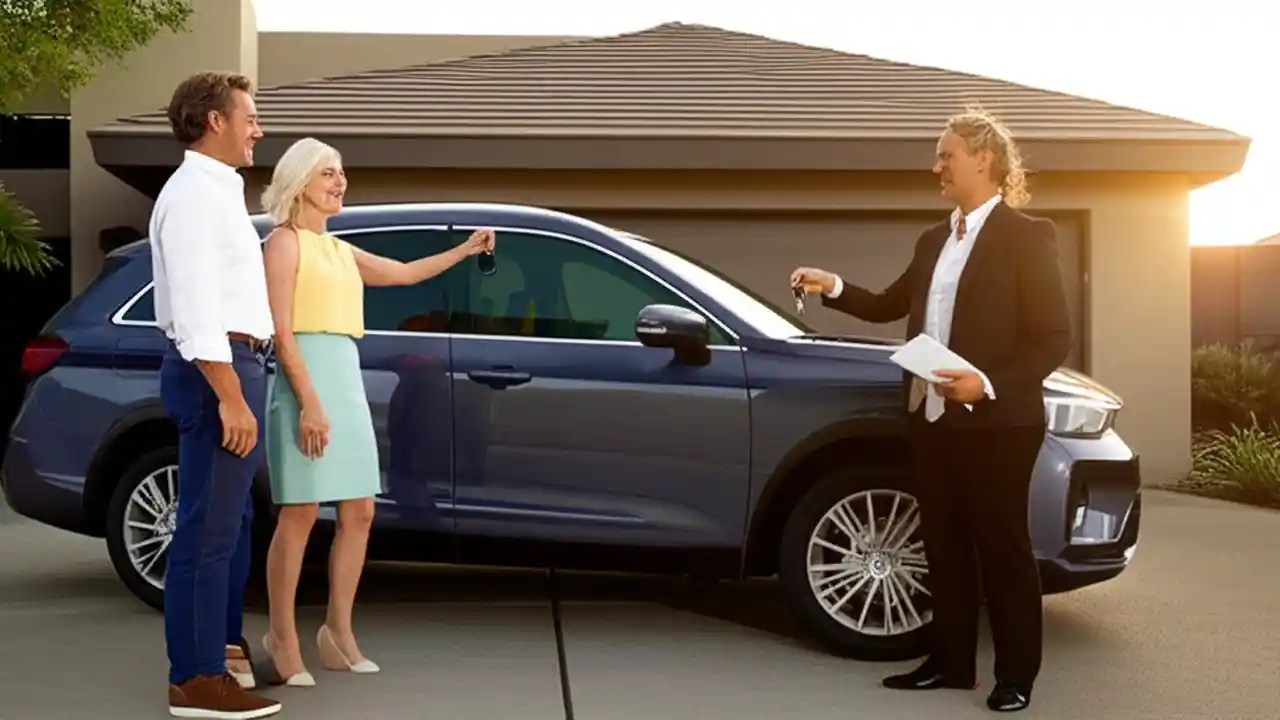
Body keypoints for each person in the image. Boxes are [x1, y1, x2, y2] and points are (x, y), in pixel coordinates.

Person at [790, 106, 1071, 714]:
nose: (936, 165)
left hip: (1000, 422)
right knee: (941, 542)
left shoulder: (1029, 236)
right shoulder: (932, 240)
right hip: (932, 417)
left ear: (983, 159)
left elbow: (1053, 338)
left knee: (1002, 549)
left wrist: (986, 382)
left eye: (946, 154)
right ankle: (949, 664)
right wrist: (832, 285)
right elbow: (890, 304)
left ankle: (1016, 676)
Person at [257, 137, 495, 687]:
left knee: (359, 511)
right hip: (305, 385)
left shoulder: (340, 250)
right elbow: (282, 332)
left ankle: (337, 634)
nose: (340, 182)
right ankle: (282, 637)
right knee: (299, 513)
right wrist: (309, 403)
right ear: (299, 183)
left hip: (344, 377)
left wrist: (464, 250)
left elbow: (406, 274)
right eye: (328, 174)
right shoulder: (284, 243)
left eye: (342, 173)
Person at [150, 72, 282, 719]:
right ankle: (197, 681)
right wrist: (230, 394)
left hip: (234, 365)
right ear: (215, 122)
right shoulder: (194, 197)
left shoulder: (218, 193)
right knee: (206, 530)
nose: (258, 129)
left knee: (230, 524)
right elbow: (200, 306)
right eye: (250, 117)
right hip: (215, 370)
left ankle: (220, 657)